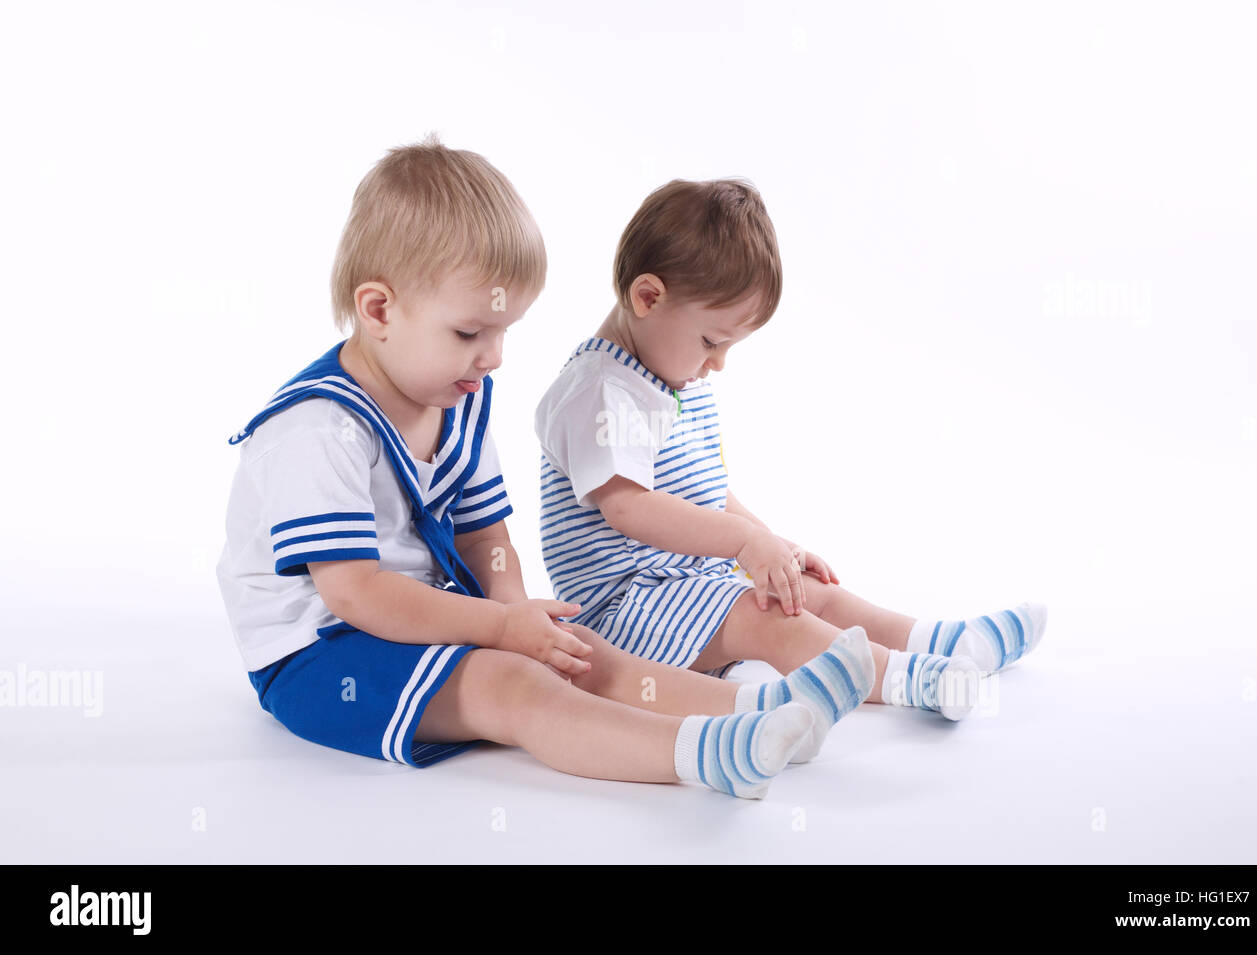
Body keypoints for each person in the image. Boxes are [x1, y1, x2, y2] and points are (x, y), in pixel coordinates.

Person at [215, 134, 877, 800]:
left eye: (504, 332)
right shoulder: (318, 430)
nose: (494, 356)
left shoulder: (457, 399)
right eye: (471, 333)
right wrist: (501, 632)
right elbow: (356, 591)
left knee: (571, 646)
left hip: (430, 614)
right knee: (516, 686)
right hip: (324, 652)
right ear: (379, 309)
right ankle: (701, 751)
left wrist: (517, 614)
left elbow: (487, 540)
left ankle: (764, 713)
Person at [534, 178, 1048, 722]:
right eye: (712, 341)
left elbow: (703, 492)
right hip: (625, 610)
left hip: (683, 583)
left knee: (800, 592)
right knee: (773, 618)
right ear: (648, 298)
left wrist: (770, 545)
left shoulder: (668, 375)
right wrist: (745, 543)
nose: (718, 364)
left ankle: (942, 642)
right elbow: (629, 507)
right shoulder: (601, 392)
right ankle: (910, 680)